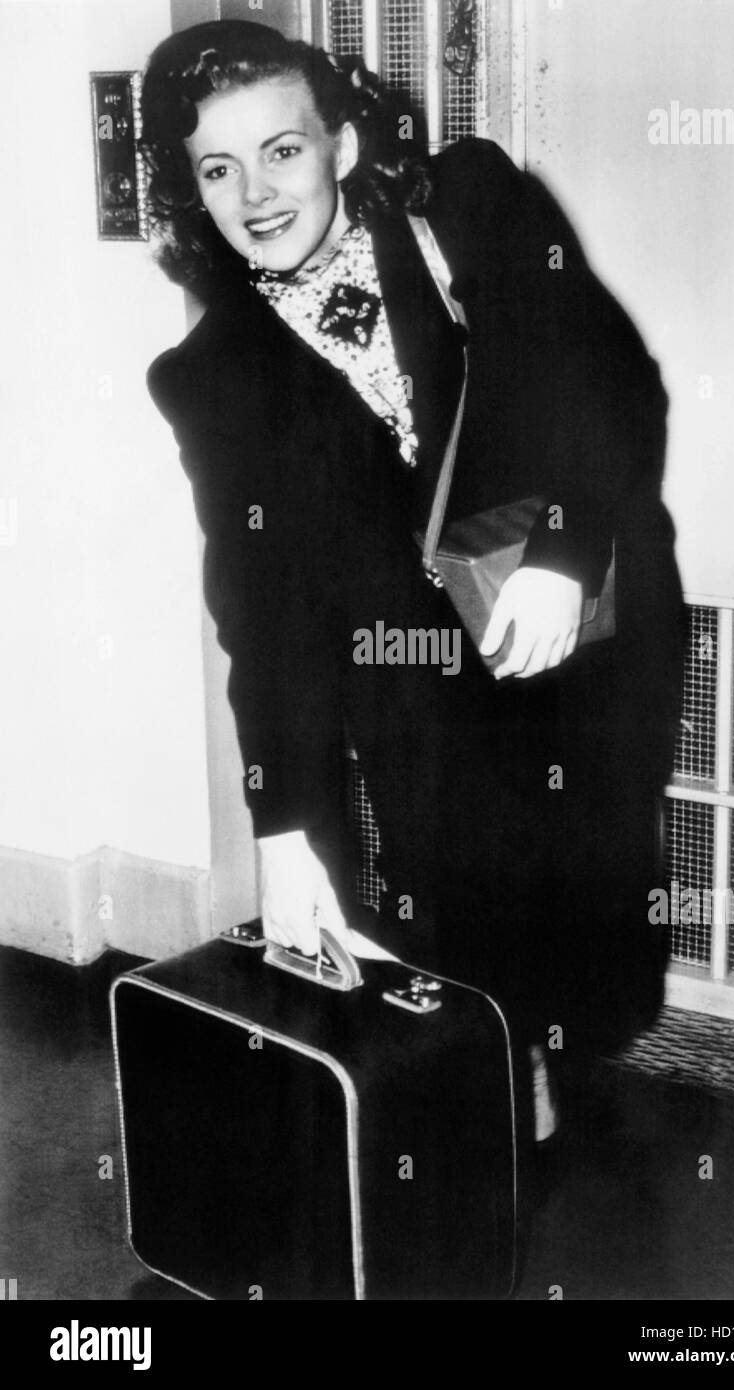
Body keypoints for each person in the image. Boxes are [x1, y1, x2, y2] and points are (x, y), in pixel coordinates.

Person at [140, 19, 686, 1163]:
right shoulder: (208, 376)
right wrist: (282, 826)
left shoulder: (471, 204)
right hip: (414, 685)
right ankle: (506, 1123)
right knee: (463, 918)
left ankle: (548, 1063)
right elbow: (260, 606)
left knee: (589, 899)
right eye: (218, 168)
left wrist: (565, 546)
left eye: (281, 151)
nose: (257, 194)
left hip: (576, 635)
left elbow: (612, 380)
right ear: (191, 187)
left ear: (339, 143)